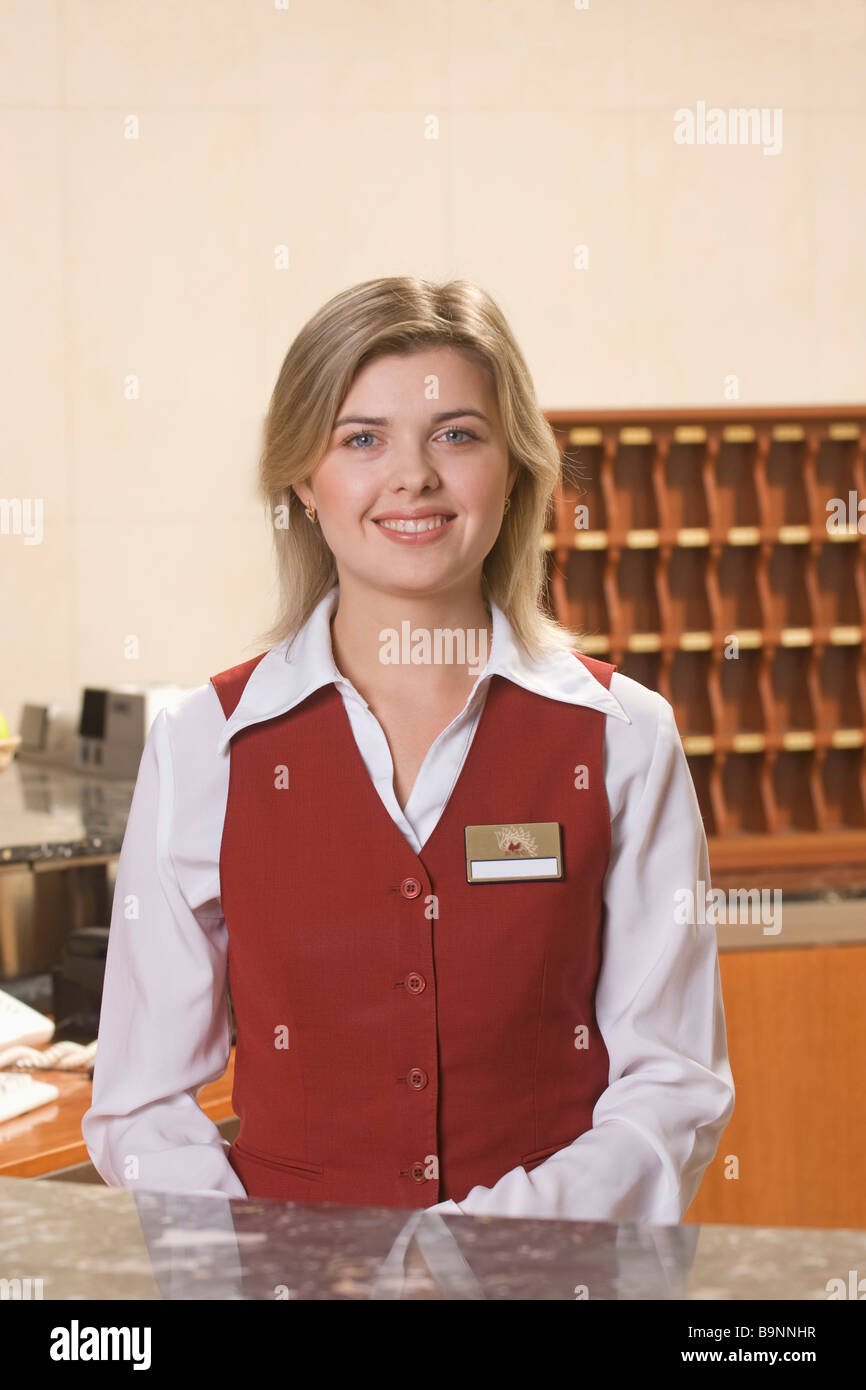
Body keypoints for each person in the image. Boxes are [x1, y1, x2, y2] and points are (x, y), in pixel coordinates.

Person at [82, 276, 734, 1222]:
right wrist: (265, 1267)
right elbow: (140, 1105)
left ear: (514, 471)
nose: (413, 477)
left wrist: (466, 1253)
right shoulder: (203, 744)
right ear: (304, 481)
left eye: (457, 435)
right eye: (362, 438)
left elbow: (673, 1087)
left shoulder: (626, 736)